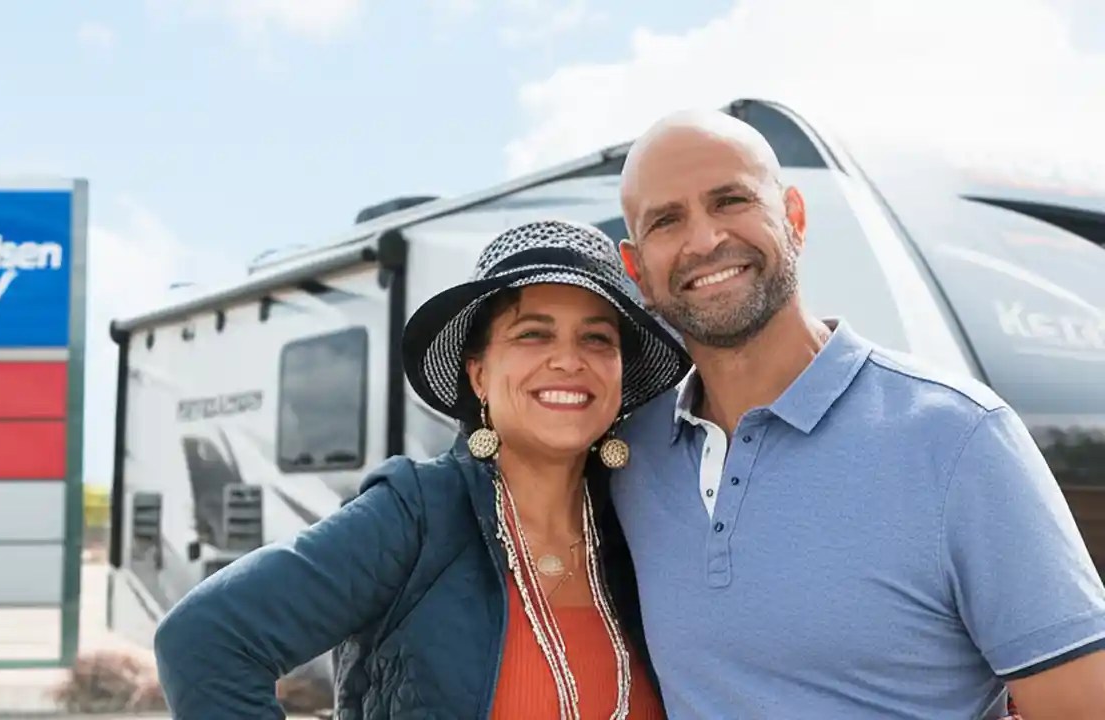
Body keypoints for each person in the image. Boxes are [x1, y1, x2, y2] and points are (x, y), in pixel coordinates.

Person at [609, 108, 1105, 719]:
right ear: (637, 269)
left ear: (794, 217)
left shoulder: (956, 436)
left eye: (731, 200)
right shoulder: (630, 456)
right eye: (667, 220)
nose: (705, 240)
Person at [152, 219, 692, 718]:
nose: (570, 361)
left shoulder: (642, 524)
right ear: (478, 374)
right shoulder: (416, 511)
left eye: (597, 338)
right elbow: (205, 639)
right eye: (533, 333)